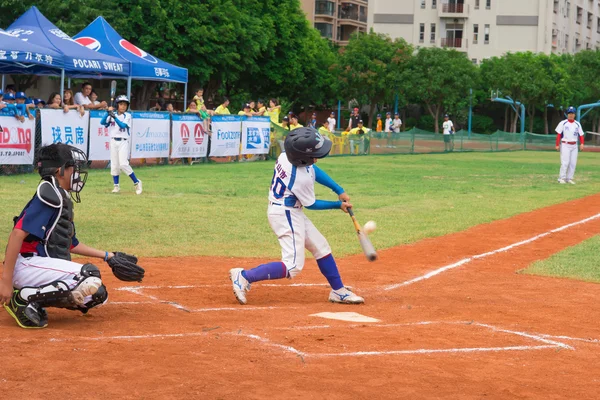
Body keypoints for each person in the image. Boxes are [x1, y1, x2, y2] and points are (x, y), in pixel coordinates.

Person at [229, 127, 364, 305]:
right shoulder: (299, 177)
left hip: (289, 209)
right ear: (302, 158)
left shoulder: (287, 156)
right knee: (292, 266)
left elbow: (314, 170)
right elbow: (312, 204)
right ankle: (244, 276)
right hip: (285, 214)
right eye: (314, 155)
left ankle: (338, 291)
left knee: (321, 247)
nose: (316, 158)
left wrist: (338, 189)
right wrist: (338, 205)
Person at [0, 144, 112, 328]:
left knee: (97, 295)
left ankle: (33, 300)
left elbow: (70, 244)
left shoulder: (58, 195)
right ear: (60, 171)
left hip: (36, 266)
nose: (76, 173)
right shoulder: (48, 196)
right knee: (88, 276)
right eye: (73, 168)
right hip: (26, 265)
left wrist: (108, 256)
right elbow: (17, 234)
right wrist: (6, 281)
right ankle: (22, 299)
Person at [101, 95, 142, 195]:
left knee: (123, 164)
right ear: (117, 105)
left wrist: (114, 116)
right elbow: (102, 122)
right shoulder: (112, 114)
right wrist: (107, 113)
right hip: (113, 141)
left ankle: (137, 182)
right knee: (114, 164)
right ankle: (116, 186)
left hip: (123, 141)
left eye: (125, 105)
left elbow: (122, 125)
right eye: (121, 104)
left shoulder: (127, 116)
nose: (123, 107)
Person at [555, 106, 584, 184]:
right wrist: (557, 144)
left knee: (573, 163)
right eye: (569, 113)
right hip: (565, 144)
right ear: (567, 114)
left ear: (574, 115)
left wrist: (582, 143)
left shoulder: (577, 124)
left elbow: (581, 135)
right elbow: (559, 134)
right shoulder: (563, 123)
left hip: (574, 145)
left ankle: (569, 178)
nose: (571, 115)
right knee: (565, 162)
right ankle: (561, 178)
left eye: (572, 113)